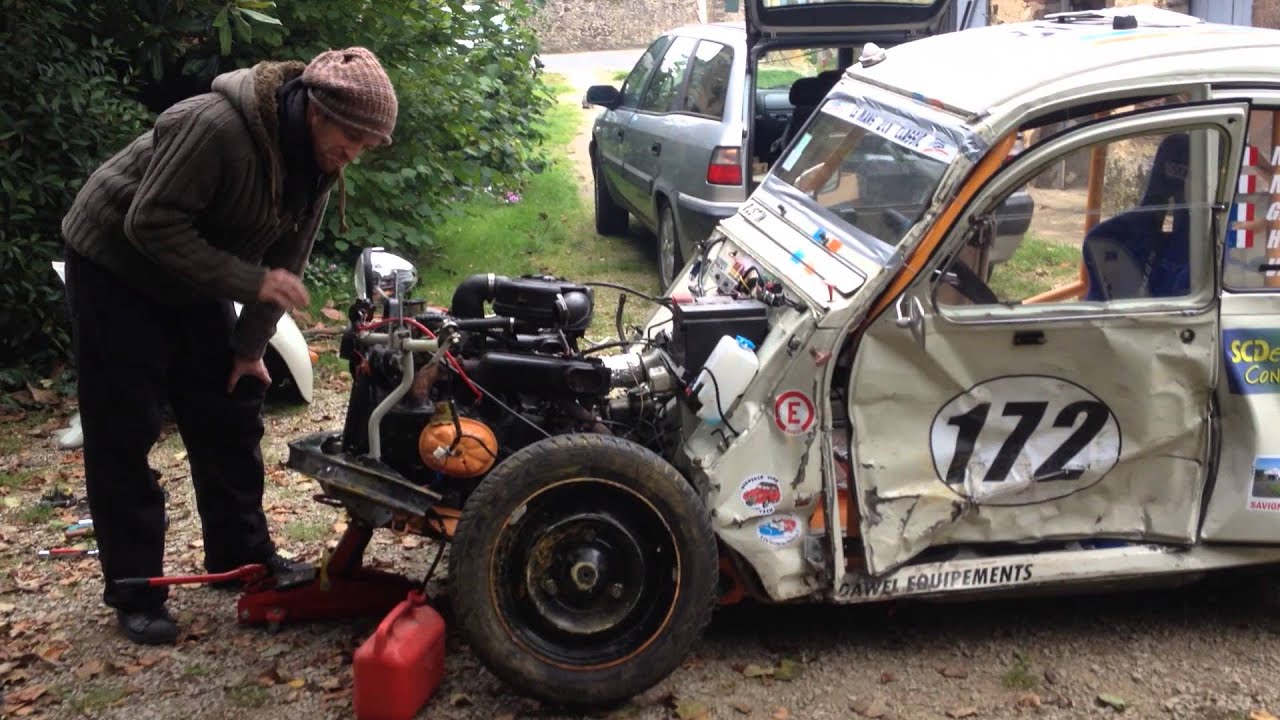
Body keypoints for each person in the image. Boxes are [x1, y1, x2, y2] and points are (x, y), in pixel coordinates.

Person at [60, 47, 397, 645]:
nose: (354, 155)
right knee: (124, 428)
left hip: (194, 275)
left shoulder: (318, 163)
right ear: (315, 109)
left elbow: (286, 263)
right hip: (115, 265)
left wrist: (249, 346)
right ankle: (136, 588)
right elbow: (149, 223)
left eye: (367, 146)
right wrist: (248, 282)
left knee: (230, 405)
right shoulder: (215, 126)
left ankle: (239, 557)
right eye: (351, 138)